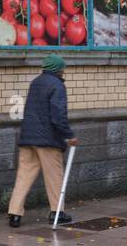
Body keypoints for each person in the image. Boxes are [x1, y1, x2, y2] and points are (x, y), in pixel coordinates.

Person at [8, 54, 79, 228]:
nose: (64, 71)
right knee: (54, 177)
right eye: (63, 68)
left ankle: (14, 214)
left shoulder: (35, 82)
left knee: (23, 176)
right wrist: (69, 135)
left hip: (28, 137)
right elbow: (58, 116)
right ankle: (57, 212)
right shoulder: (57, 85)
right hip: (48, 140)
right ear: (58, 69)